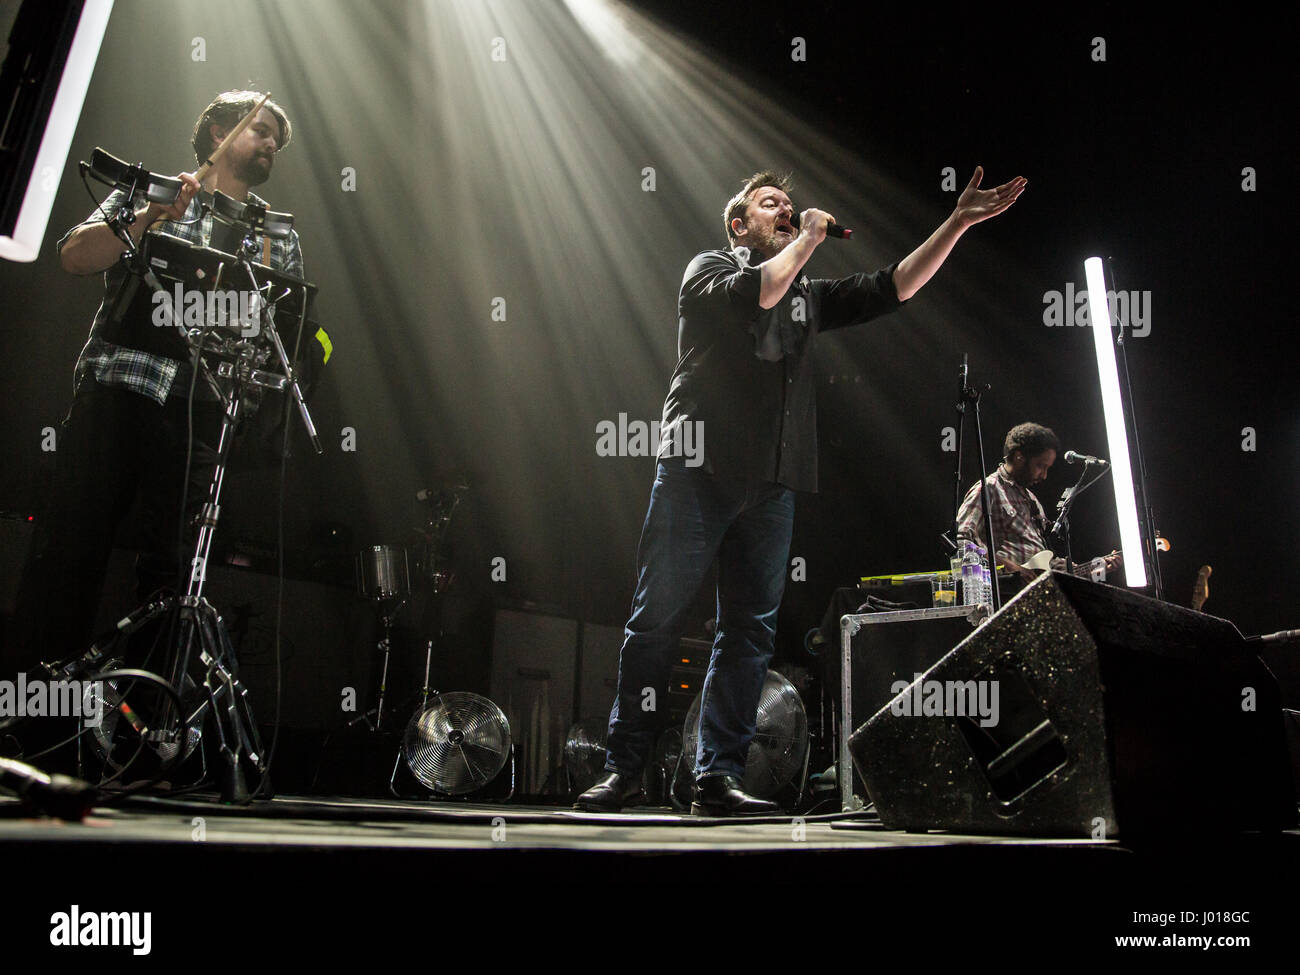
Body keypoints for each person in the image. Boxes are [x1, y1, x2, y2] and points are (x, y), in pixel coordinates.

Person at [577, 166, 1027, 815]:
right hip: (697, 467)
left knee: (749, 633)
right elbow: (760, 292)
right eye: (771, 204)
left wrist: (956, 222)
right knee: (658, 617)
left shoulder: (806, 294)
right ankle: (622, 769)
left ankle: (716, 777)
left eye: (791, 206)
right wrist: (810, 237)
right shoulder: (708, 270)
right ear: (740, 224)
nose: (787, 211)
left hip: (773, 480)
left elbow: (891, 286)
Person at [8, 90, 305, 677]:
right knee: (72, 547)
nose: (272, 143)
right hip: (117, 391)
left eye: (278, 139)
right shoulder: (151, 190)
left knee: (172, 574)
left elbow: (289, 333)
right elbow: (72, 256)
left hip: (199, 413)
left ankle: (148, 722)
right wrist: (147, 219)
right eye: (261, 129)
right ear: (218, 131)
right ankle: (34, 710)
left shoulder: (280, 236)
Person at [955, 422, 1121, 590]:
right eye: (1040, 466)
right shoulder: (989, 488)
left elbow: (1049, 567)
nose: (1044, 475)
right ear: (1019, 457)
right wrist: (1008, 567)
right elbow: (961, 541)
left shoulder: (1032, 501)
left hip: (1035, 601)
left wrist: (1096, 569)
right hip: (1002, 595)